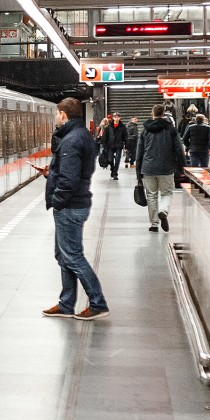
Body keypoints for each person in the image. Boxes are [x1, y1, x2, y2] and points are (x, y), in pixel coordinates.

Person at [39, 97, 109, 320]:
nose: (55, 117)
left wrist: (58, 201)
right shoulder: (81, 135)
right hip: (76, 202)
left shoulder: (71, 139)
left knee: (73, 256)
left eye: (56, 113)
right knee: (63, 255)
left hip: (70, 206)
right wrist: (52, 173)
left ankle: (97, 303)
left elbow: (69, 180)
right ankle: (66, 303)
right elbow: (74, 171)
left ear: (63, 114)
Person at [137, 104, 183, 233]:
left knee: (151, 196)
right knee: (166, 193)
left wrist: (138, 172)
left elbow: (139, 152)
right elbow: (179, 149)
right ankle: (163, 211)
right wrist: (181, 167)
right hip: (166, 167)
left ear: (152, 113)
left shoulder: (145, 130)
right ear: (163, 114)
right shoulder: (171, 129)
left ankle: (154, 224)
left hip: (148, 168)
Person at [104, 113, 129, 179]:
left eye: (118, 117)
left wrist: (126, 145)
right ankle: (112, 169)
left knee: (117, 159)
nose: (117, 118)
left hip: (119, 145)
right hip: (110, 145)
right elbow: (105, 137)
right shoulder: (109, 126)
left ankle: (115, 173)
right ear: (113, 118)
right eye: (115, 117)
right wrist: (104, 145)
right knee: (110, 159)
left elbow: (125, 136)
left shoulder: (122, 127)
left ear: (120, 118)